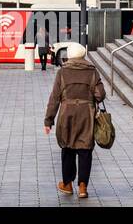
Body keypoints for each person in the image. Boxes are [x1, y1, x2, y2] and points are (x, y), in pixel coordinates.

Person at [43, 42, 106, 199]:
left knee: (68, 148)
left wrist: (48, 121)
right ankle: (83, 186)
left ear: (70, 55)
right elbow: (100, 95)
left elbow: (54, 98)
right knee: (85, 150)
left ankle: (68, 184)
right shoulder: (92, 71)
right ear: (83, 54)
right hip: (87, 114)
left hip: (67, 114)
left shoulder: (62, 72)